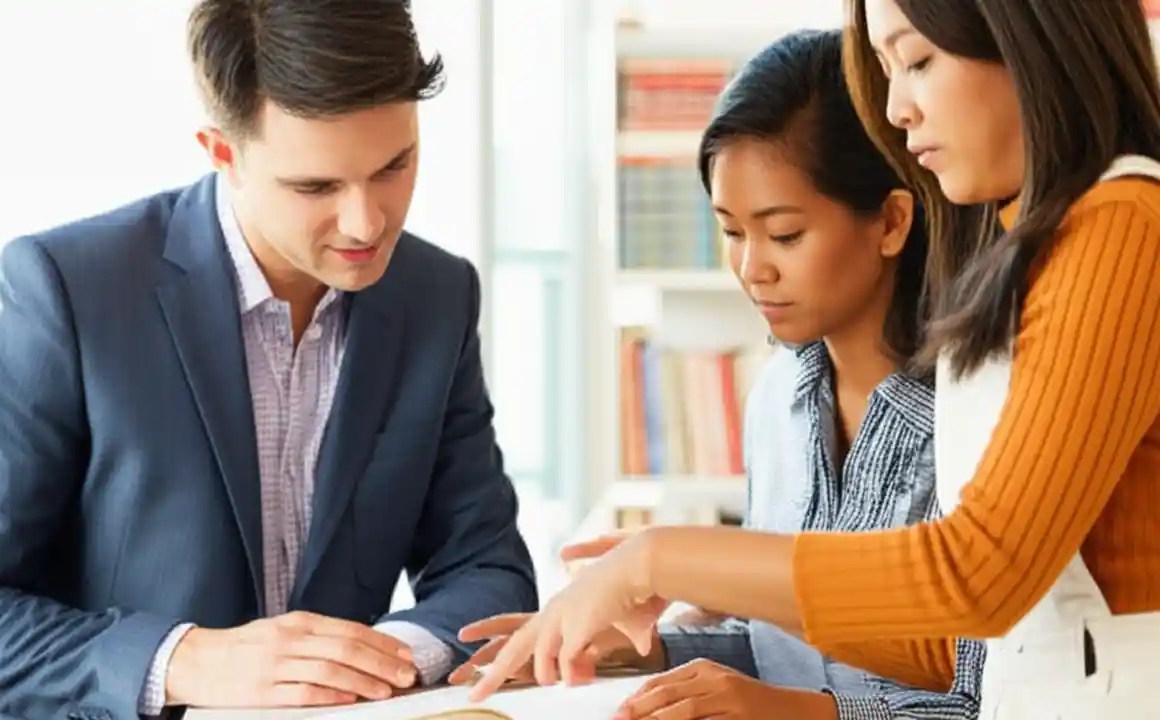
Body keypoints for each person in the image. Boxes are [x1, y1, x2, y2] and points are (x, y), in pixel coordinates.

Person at [468, 1, 1160, 717]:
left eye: (917, 61)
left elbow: (977, 577)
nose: (895, 110)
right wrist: (699, 604)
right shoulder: (1031, 258)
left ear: (1027, 39)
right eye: (886, 72)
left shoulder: (1121, 229)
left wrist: (660, 557)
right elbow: (952, 645)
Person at [0, 2, 536, 719]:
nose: (366, 222)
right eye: (315, 187)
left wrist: (373, 664)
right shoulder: (66, 287)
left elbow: (486, 569)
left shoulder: (435, 295)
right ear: (221, 150)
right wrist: (184, 661)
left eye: (394, 166)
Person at [453, 30, 982, 720]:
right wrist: (641, 652)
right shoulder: (779, 400)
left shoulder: (975, 412)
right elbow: (779, 653)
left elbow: (991, 699)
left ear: (889, 220)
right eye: (732, 232)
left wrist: (795, 714)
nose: (751, 268)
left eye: (785, 234)